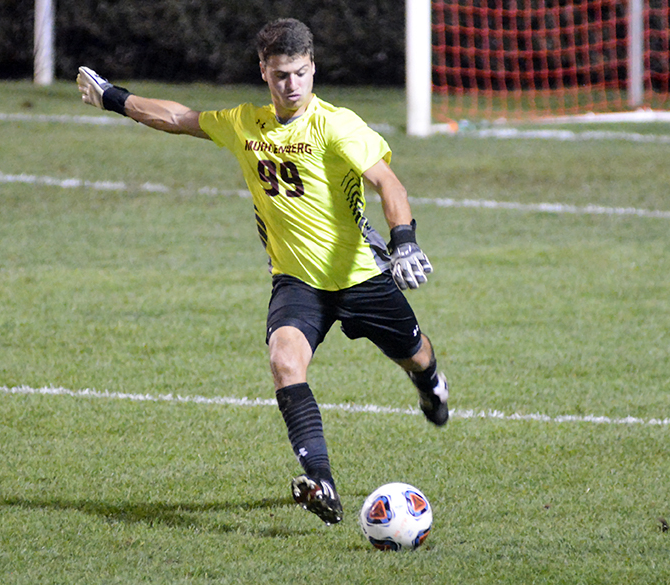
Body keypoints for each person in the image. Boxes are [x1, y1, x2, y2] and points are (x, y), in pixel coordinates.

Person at [77, 17, 448, 525]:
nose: (291, 84)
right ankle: (322, 481)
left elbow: (388, 183)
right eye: (280, 75)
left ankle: (431, 385)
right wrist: (113, 98)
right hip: (296, 282)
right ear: (263, 73)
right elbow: (179, 117)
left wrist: (404, 242)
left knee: (415, 355)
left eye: (299, 73)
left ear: (313, 69)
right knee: (284, 363)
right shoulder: (245, 123)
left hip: (360, 276)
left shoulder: (337, 126)